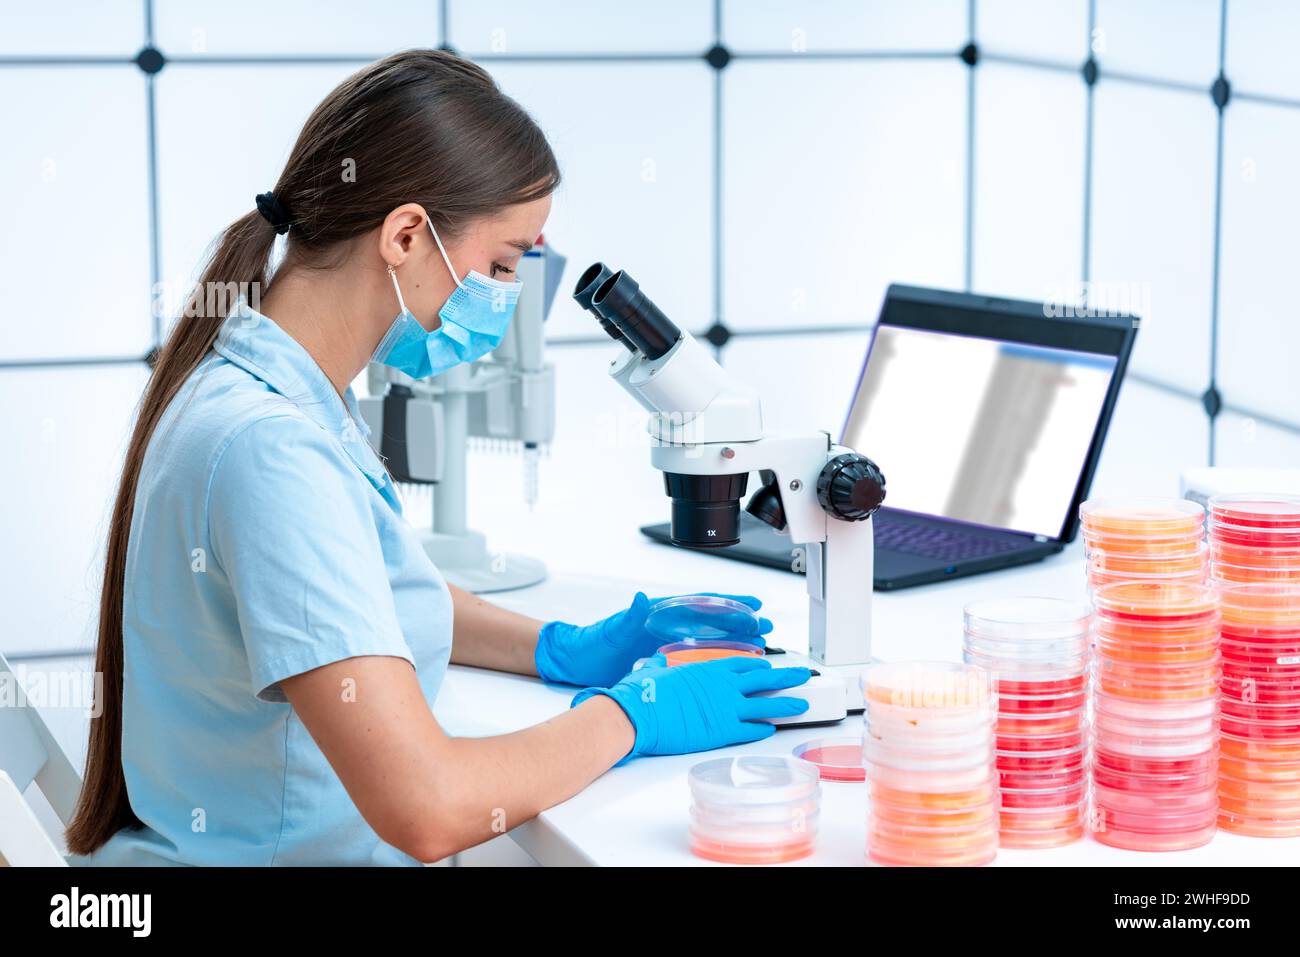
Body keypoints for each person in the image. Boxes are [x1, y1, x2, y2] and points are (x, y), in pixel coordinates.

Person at [66, 49, 811, 866]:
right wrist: (631, 716)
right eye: (502, 264)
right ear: (407, 235)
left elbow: (359, 603)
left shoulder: (269, 390)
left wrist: (559, 643)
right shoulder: (271, 449)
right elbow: (428, 808)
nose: (505, 295)